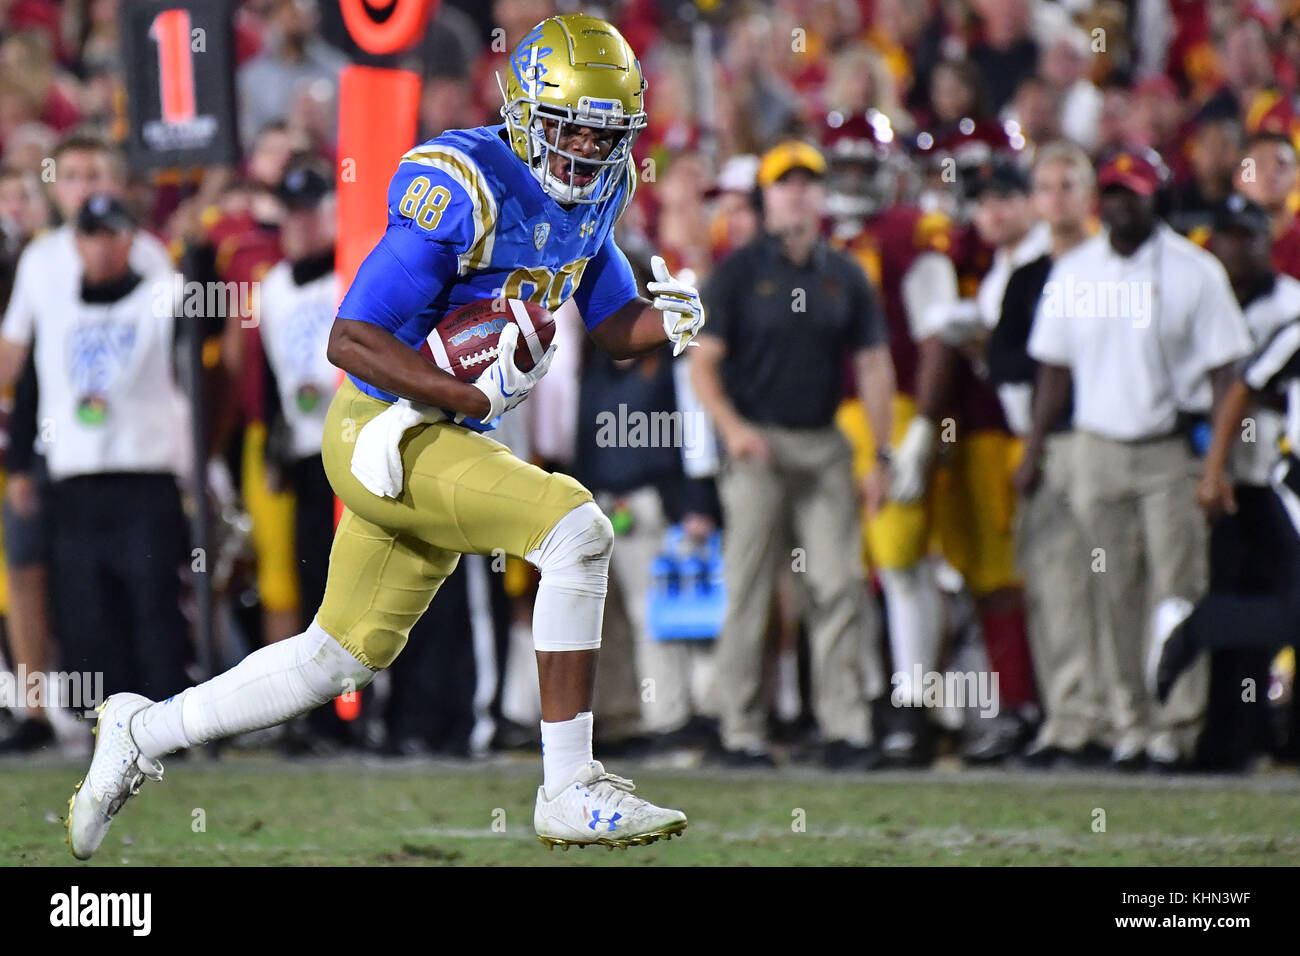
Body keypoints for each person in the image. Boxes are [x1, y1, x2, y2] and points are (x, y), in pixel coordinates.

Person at [65, 13, 703, 859]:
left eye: (605, 130)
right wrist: (466, 395)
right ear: (524, 111)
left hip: (445, 434)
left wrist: (670, 321)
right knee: (577, 530)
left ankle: (138, 731)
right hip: (382, 427)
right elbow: (351, 338)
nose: (587, 147)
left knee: (334, 658)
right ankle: (568, 785)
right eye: (571, 125)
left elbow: (613, 320)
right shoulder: (466, 182)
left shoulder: (598, 193)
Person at [1019, 148, 1255, 770]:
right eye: (1114, 193)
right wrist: (1034, 449)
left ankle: (1174, 730)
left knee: (1175, 594)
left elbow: (1226, 373)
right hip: (1097, 449)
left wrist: (1215, 466)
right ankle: (1128, 723)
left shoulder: (1193, 271)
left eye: (1134, 193)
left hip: (1171, 451)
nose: (1122, 205)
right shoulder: (1075, 271)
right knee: (1109, 592)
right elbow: (1053, 369)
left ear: (1157, 198)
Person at [690, 139, 895, 770]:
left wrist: (881, 454)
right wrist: (732, 429)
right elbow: (703, 364)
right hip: (757, 443)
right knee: (750, 588)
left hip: (823, 441)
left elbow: (874, 363)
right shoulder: (738, 271)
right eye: (786, 183)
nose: (799, 191)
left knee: (837, 585)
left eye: (809, 181)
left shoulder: (845, 273)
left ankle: (846, 726)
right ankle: (739, 728)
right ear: (767, 197)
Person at [0, 194, 190, 703]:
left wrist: (197, 249)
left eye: (113, 234)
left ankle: (166, 722)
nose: (103, 247)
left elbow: (205, 316)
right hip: (74, 482)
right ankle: (102, 727)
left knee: (153, 607)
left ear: (132, 239)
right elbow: (33, 387)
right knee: (85, 613)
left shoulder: (160, 294)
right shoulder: (54, 302)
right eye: (92, 236)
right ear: (76, 243)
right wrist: (19, 464)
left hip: (145, 477)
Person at [894, 159, 1049, 764]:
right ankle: (1005, 711)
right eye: (982, 201)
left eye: (1004, 199)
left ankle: (1030, 710)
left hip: (1017, 435)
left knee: (1015, 579)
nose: (990, 211)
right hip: (986, 431)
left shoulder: (1047, 260)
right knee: (984, 579)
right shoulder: (991, 266)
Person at [1147, 195, 1300, 750]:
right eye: (1226, 235)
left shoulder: (1287, 301)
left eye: (1246, 235)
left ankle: (1253, 731)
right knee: (1279, 608)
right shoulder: (1289, 324)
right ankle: (1221, 722)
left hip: (1265, 477)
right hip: (1260, 480)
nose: (1236, 247)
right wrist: (1214, 468)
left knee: (1284, 612)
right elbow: (1242, 388)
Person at [987, 142, 1108, 767]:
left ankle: (1123, 720)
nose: (1058, 197)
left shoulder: (1119, 266)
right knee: (1057, 586)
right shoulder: (1030, 277)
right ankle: (1069, 721)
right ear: (1035, 200)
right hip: (1053, 440)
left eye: (1070, 184)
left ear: (1089, 195)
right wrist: (1056, 357)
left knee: (1117, 586)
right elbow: (1000, 358)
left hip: (1115, 438)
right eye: (1048, 186)